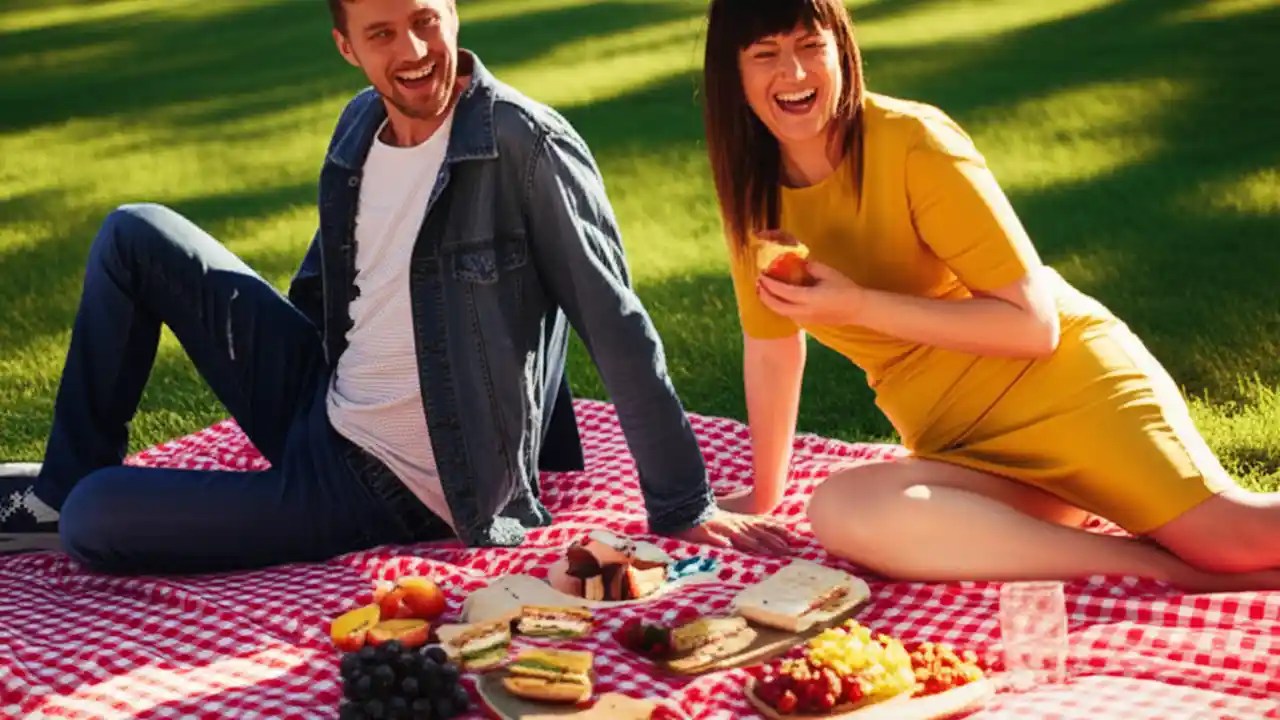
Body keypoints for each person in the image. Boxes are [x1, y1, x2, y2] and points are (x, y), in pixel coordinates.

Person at [0, 0, 790, 572]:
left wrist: (683, 504)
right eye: (382, 33)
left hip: (398, 482)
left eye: (425, 20)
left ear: (453, 12)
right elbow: (334, 289)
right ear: (347, 46)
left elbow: (614, 319)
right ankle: (57, 487)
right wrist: (263, 367)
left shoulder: (523, 145)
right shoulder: (358, 126)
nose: (413, 49)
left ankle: (74, 499)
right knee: (135, 232)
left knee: (100, 517)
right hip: (328, 401)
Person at [701, 0, 1280, 591]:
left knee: (1232, 538)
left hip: (1062, 388)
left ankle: (1192, 561)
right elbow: (772, 347)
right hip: (958, 444)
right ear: (734, 73)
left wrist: (859, 306)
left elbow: (1033, 327)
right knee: (841, 509)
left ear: (841, 49)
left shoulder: (912, 142)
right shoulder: (750, 188)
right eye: (765, 54)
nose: (794, 74)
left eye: (810, 46)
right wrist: (764, 495)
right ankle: (1152, 566)